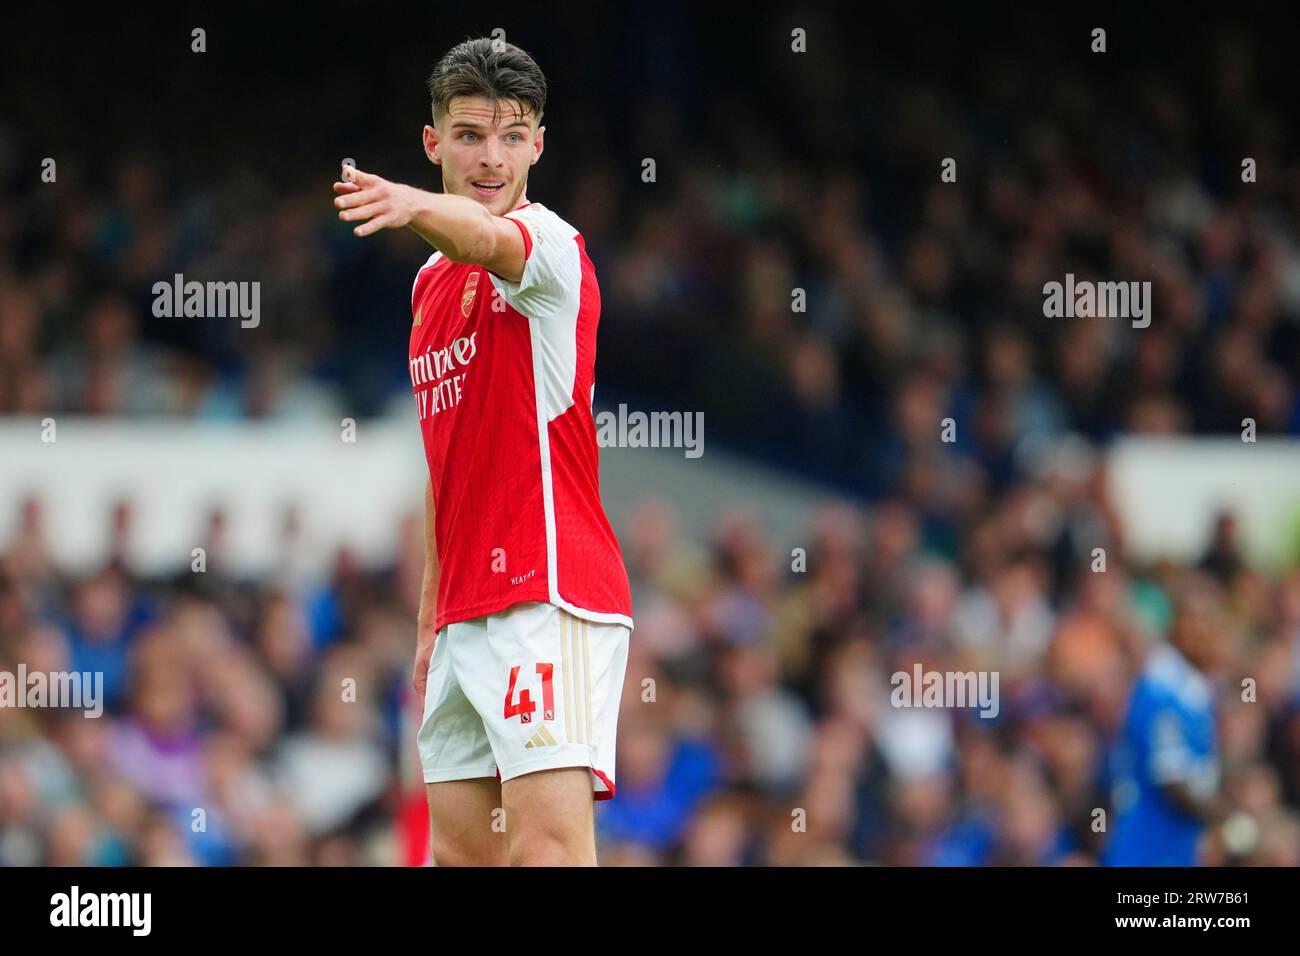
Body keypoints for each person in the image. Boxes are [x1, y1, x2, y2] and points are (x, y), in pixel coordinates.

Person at [331, 37, 633, 866]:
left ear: (539, 144)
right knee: (459, 858)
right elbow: (447, 466)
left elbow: (486, 241)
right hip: (465, 613)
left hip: (547, 592)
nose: (491, 158)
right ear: (435, 143)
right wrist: (431, 622)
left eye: (511, 136)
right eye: (469, 136)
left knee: (546, 851)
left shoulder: (551, 248)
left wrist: (409, 203)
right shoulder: (429, 283)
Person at [1104, 585, 1225, 866]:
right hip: (1146, 843)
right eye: (1203, 621)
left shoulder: (1195, 689)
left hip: (1177, 842)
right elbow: (1173, 782)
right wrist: (1228, 819)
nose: (1215, 633)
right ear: (1180, 626)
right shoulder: (1160, 691)